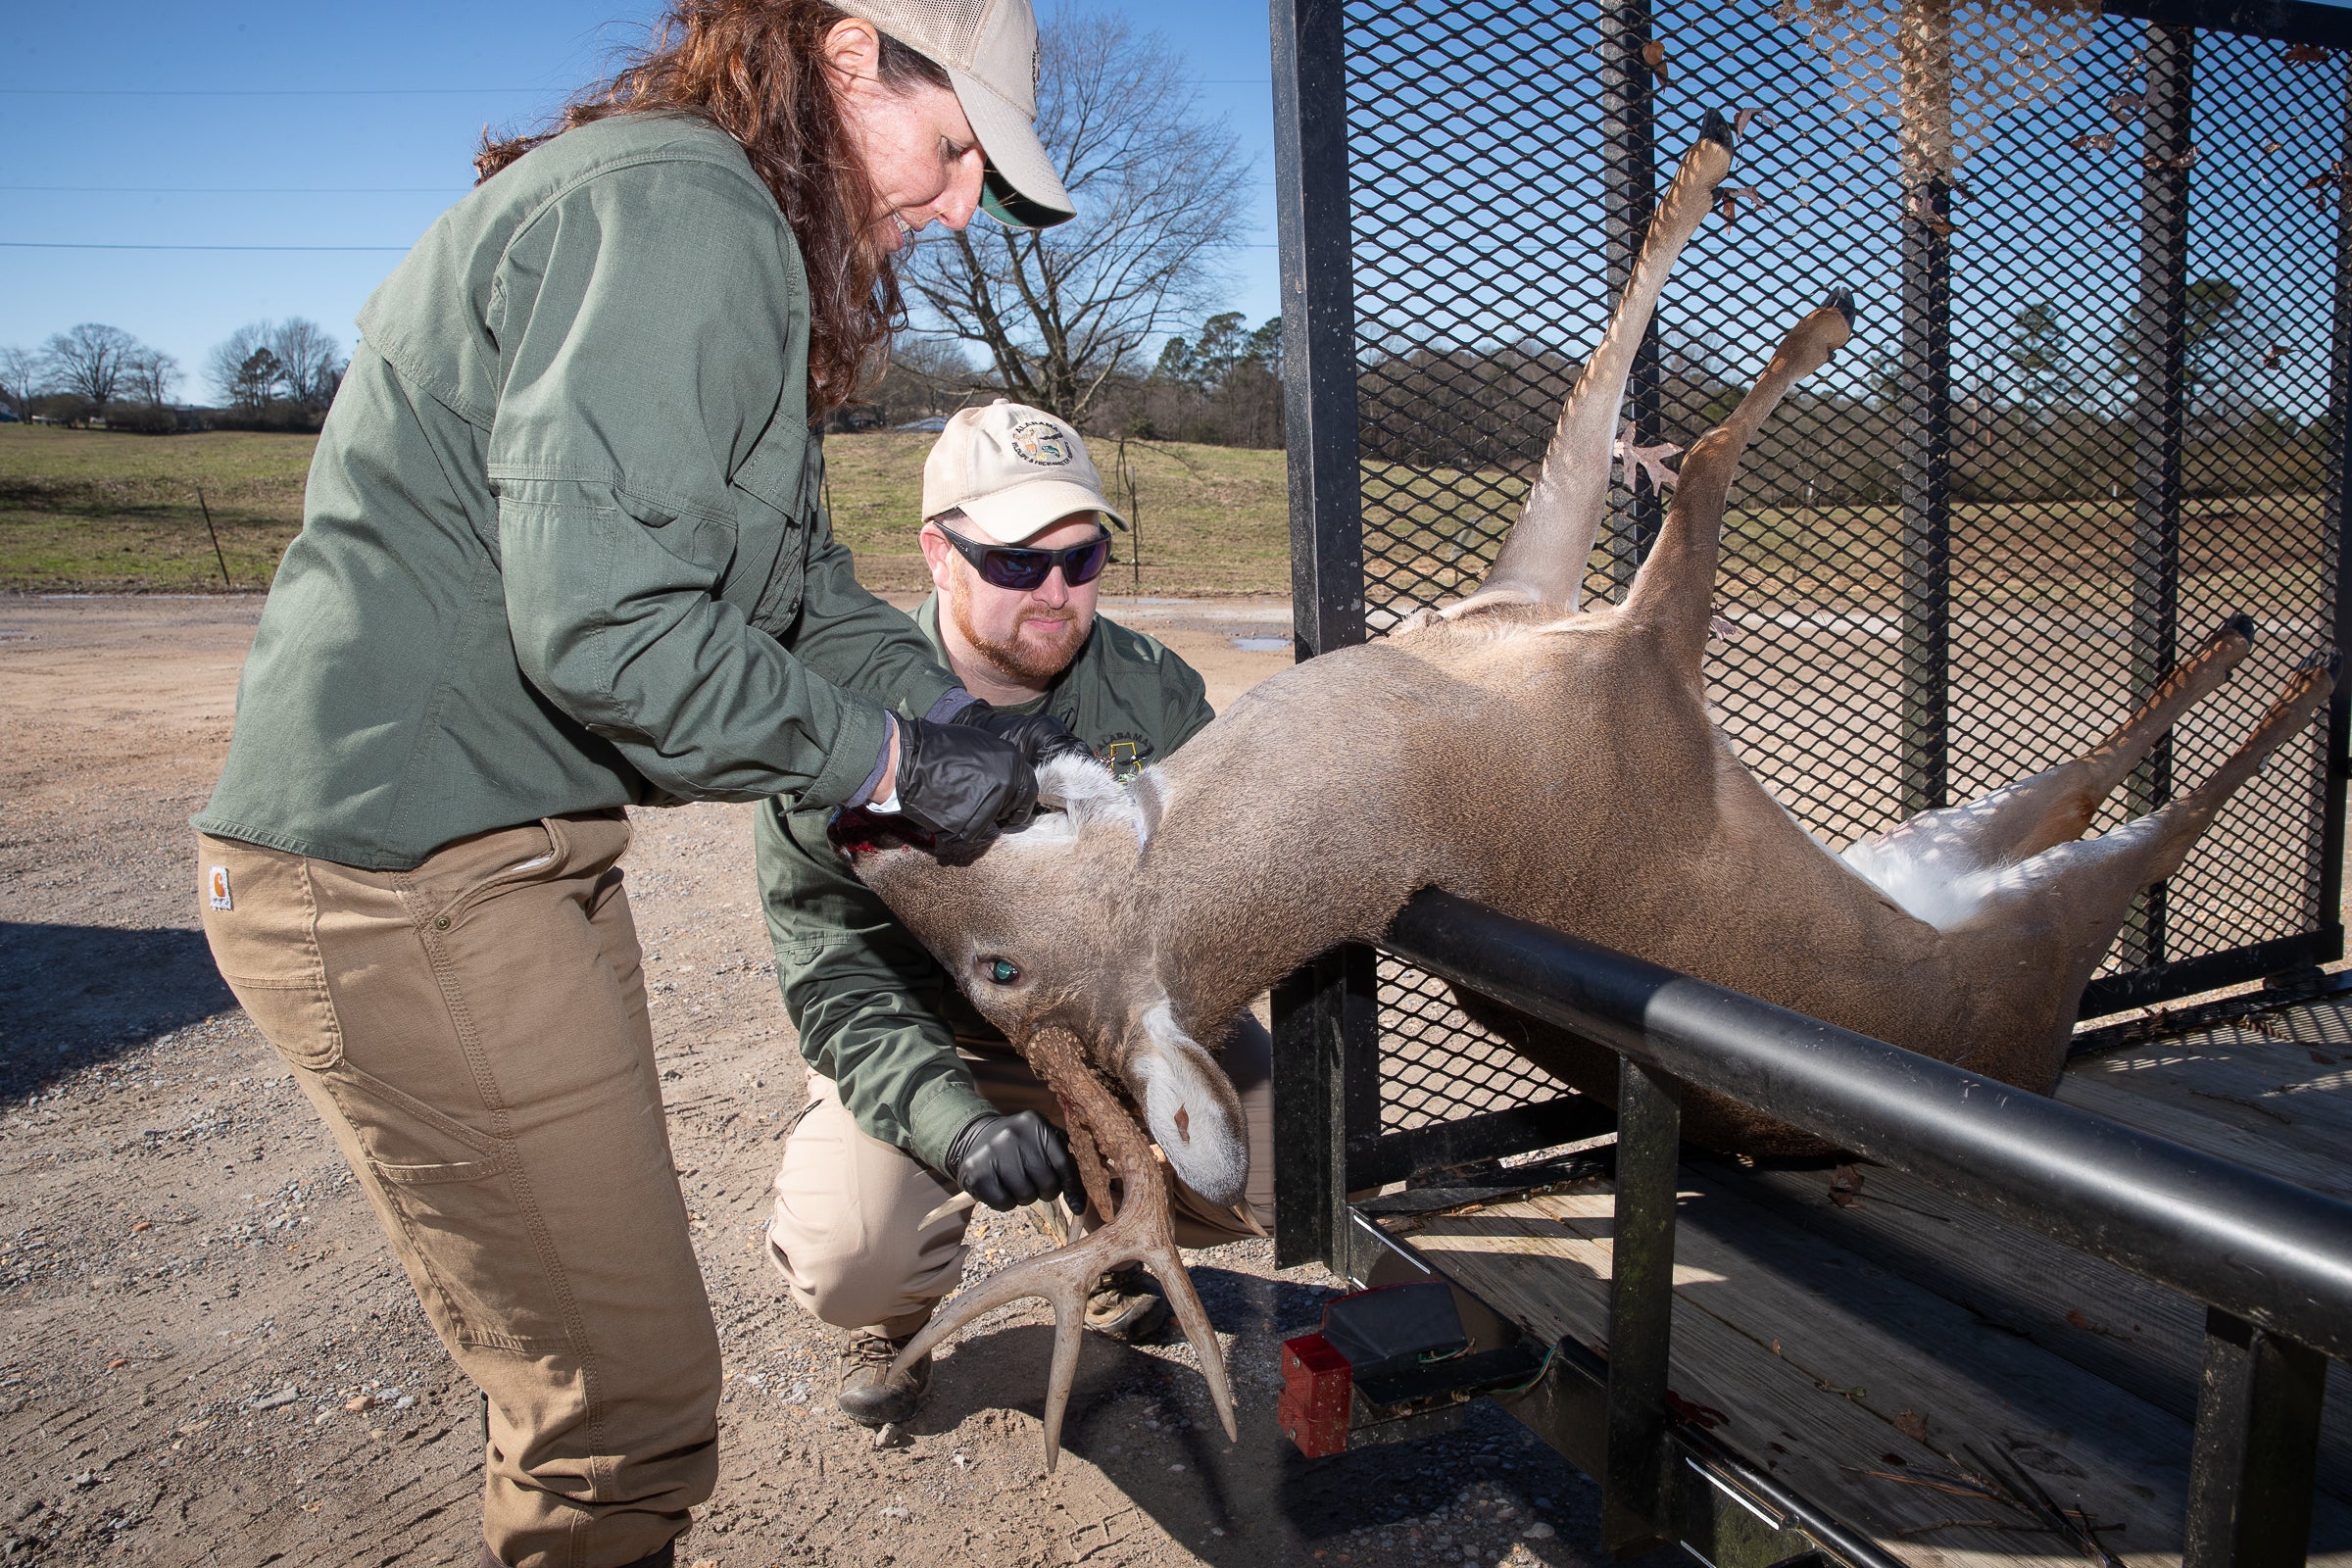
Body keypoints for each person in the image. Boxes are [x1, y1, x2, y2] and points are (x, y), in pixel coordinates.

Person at [191, 6, 1086, 1565]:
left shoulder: (726, 232)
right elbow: (611, 629)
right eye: (953, 152)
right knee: (621, 1401)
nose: (957, 210)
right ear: (849, 58)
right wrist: (893, 763)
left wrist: (967, 725)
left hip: (506, 851)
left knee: (615, 1353)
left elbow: (798, 591)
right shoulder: (683, 208)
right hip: (405, 866)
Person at [757, 401, 1276, 1427]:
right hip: (935, 1031)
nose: (1056, 591)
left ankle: (1104, 1213)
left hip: (1113, 1022)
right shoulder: (837, 717)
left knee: (1286, 1171)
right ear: (937, 556)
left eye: (1083, 560)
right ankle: (894, 1315)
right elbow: (838, 975)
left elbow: (1215, 893)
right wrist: (957, 1130)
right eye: (1014, 563)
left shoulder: (1149, 690)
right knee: (854, 1257)